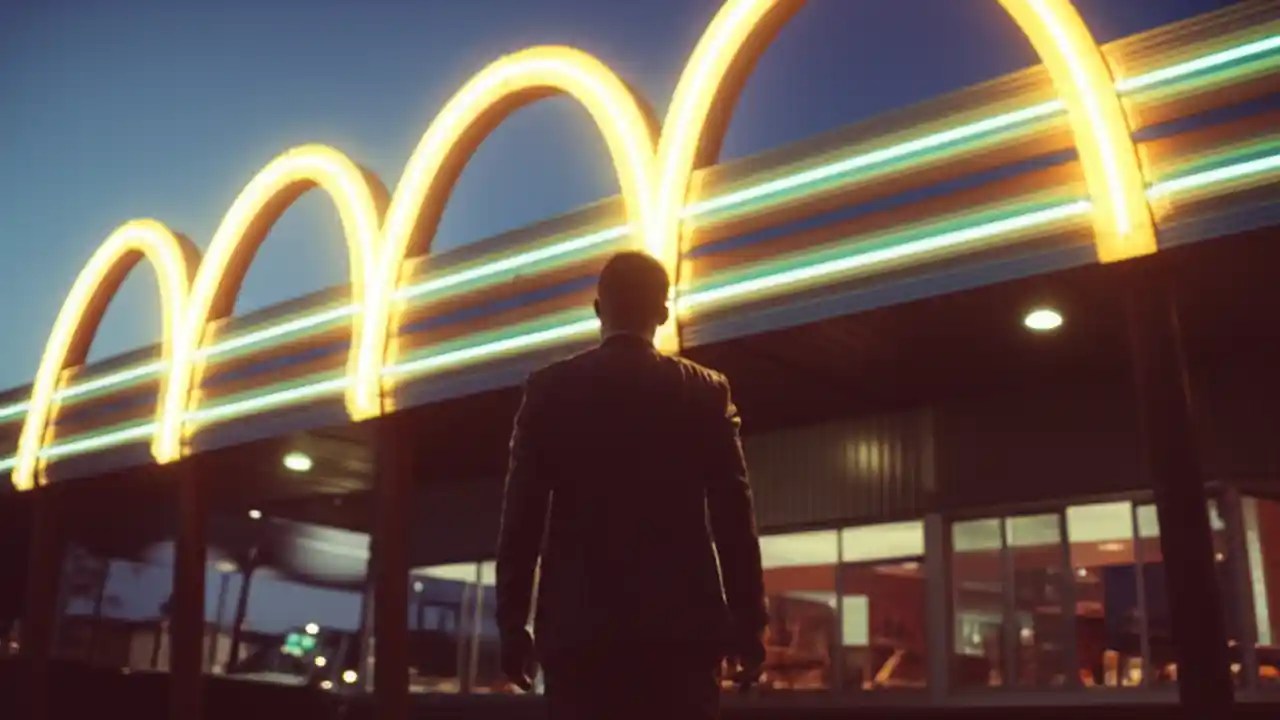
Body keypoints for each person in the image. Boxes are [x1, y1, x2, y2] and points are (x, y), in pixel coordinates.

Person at [496, 251, 768, 719]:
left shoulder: (549, 391)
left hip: (580, 637)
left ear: (599, 309)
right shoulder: (704, 392)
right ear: (663, 313)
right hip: (679, 641)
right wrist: (747, 622)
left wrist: (511, 624)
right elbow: (733, 516)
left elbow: (521, 520)